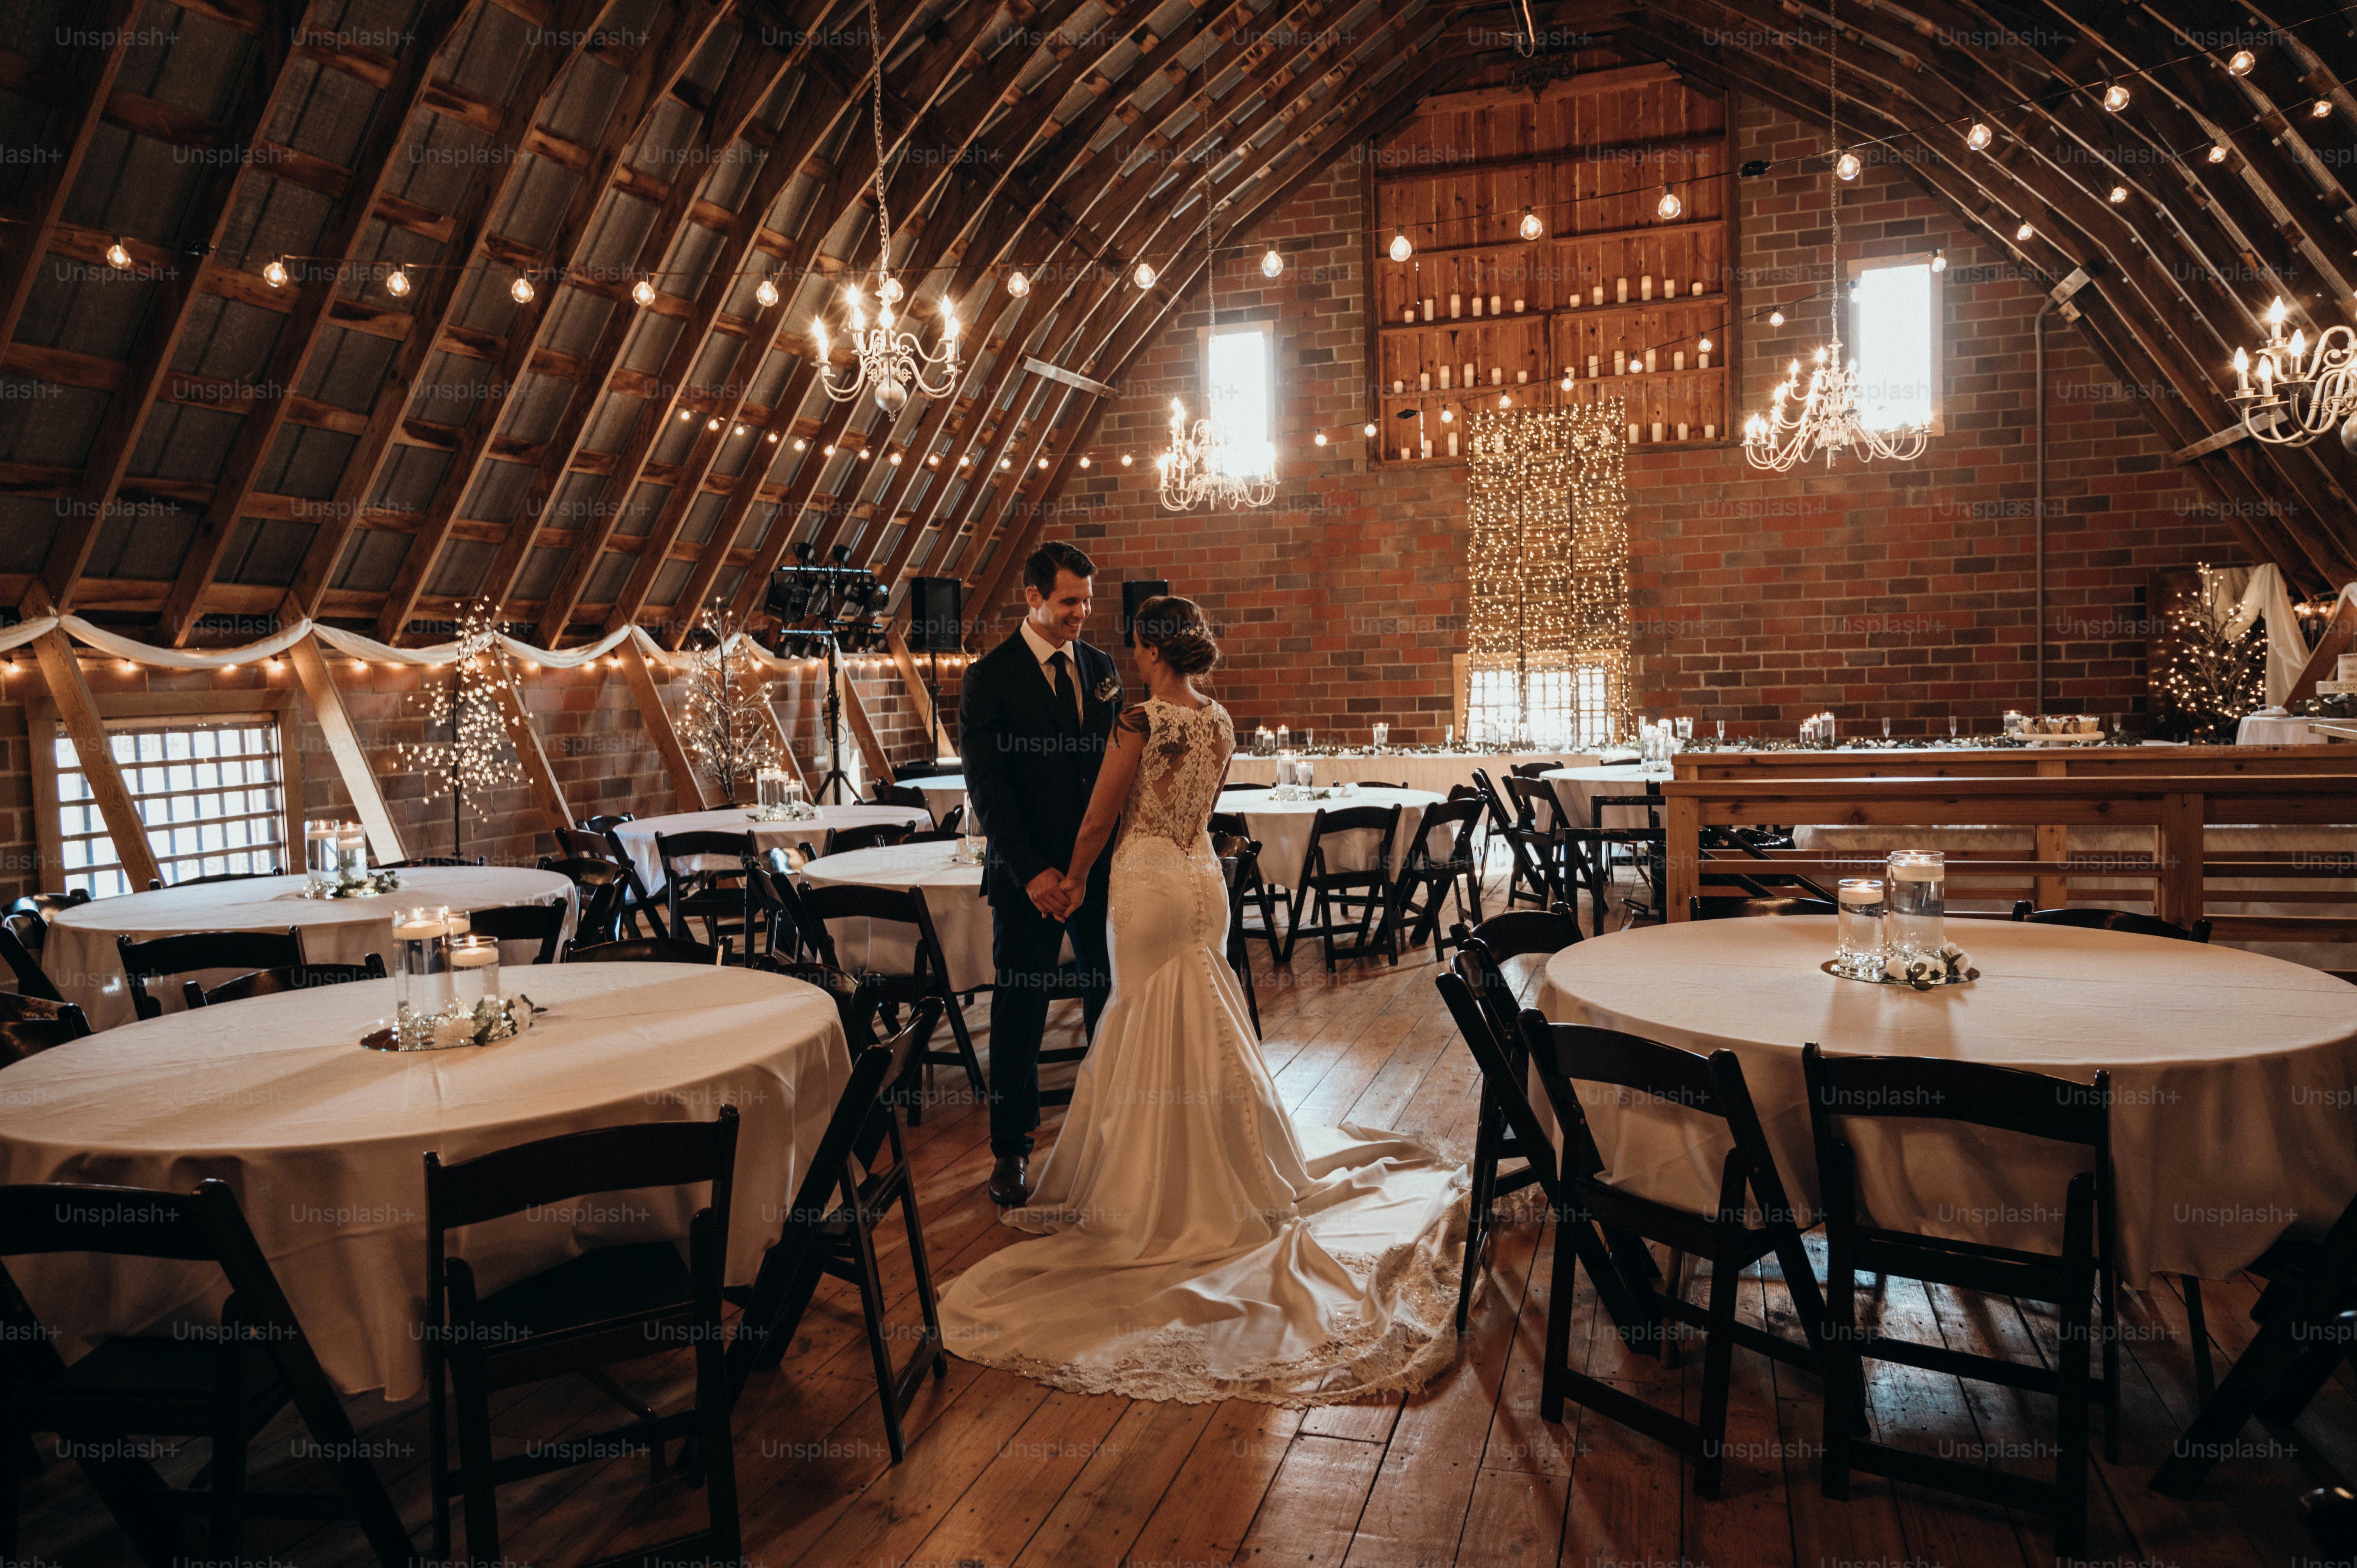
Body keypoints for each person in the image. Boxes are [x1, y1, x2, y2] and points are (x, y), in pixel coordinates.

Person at [937, 594, 1467, 1406]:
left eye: (1134, 643)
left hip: (1146, 880)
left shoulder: (1141, 721)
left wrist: (1075, 876)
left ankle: (1156, 1192)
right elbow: (1203, 807)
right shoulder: (1219, 719)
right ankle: (1232, 1170)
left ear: (1151, 647)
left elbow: (1099, 819)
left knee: (1146, 1013)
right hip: (1200, 881)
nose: (1127, 651)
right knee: (1198, 1008)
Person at [956, 541, 1120, 1207]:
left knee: (1109, 1000)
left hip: (1097, 872)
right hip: (1027, 880)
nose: (1081, 613)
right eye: (1068, 602)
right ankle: (1011, 1150)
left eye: (1086, 600)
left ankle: (1110, 1133)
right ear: (1032, 598)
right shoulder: (988, 677)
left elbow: (1111, 771)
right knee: (1019, 1011)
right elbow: (988, 790)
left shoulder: (1103, 667)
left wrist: (1087, 865)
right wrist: (1036, 874)